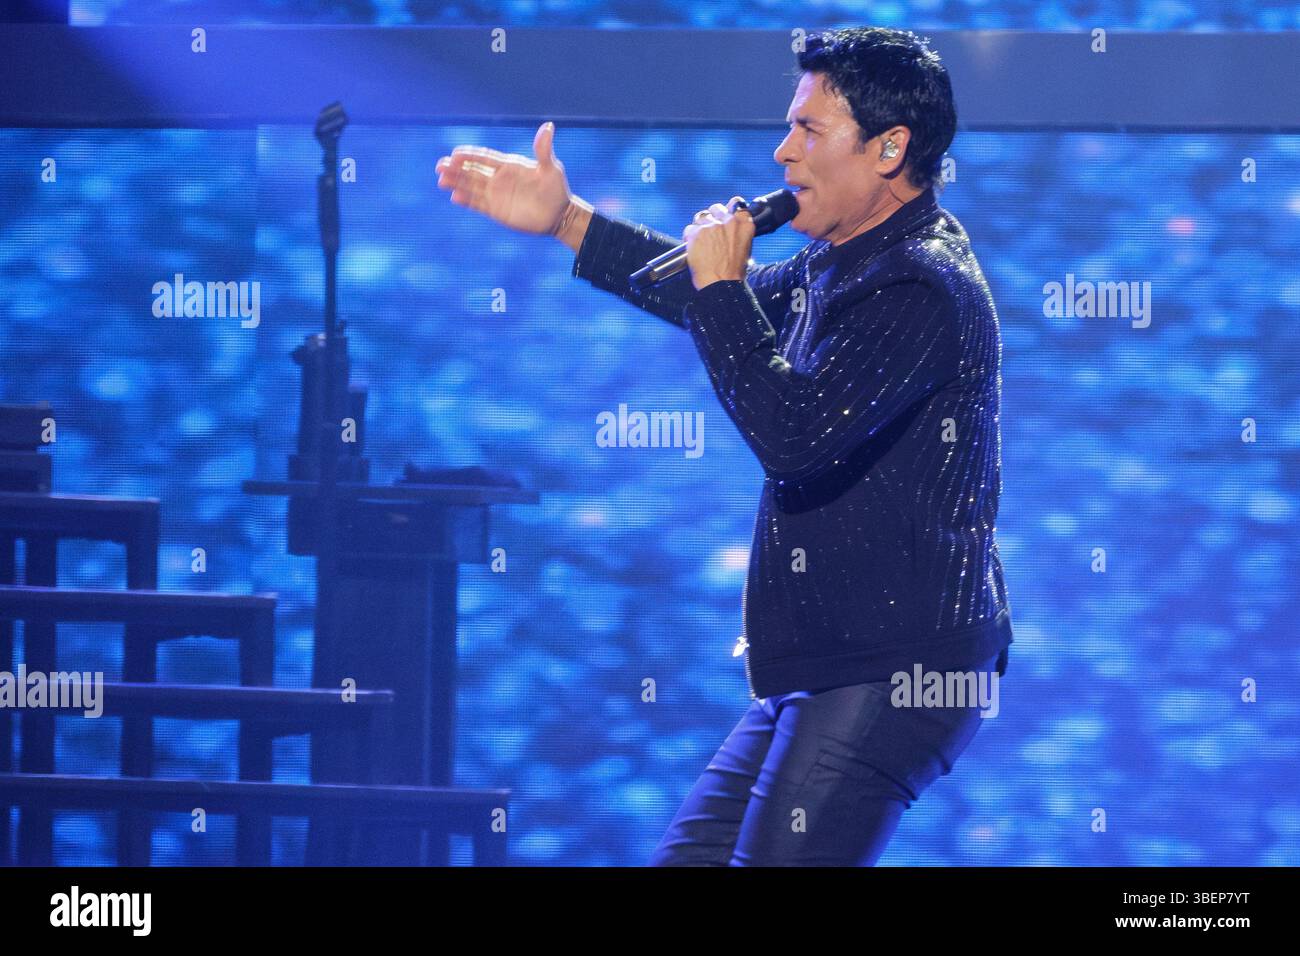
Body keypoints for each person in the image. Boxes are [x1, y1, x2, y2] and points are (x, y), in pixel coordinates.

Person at [436, 26, 1013, 866]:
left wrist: (719, 288)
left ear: (891, 148)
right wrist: (567, 220)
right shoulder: (843, 261)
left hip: (899, 670)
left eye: (809, 131)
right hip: (830, 664)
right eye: (789, 127)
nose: (782, 153)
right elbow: (711, 300)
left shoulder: (921, 286)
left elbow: (794, 434)